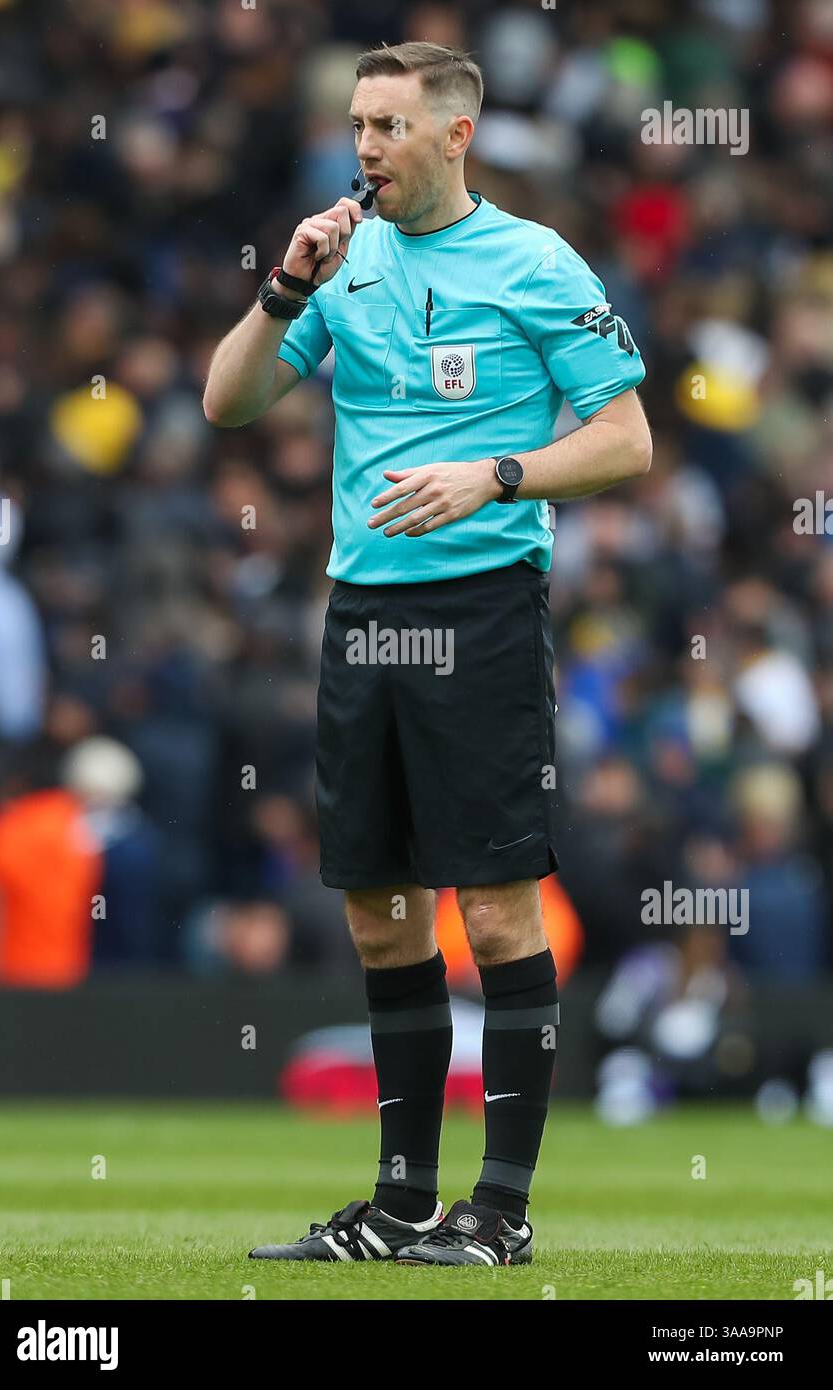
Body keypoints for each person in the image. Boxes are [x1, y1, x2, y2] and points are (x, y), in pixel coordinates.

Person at [204, 41, 651, 1269]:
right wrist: (285, 287)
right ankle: (401, 1206)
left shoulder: (531, 262)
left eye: (388, 126)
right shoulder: (339, 262)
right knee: (378, 914)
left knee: (495, 909)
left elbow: (624, 441)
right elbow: (225, 403)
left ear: (454, 135)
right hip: (359, 618)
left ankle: (497, 1217)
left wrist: (492, 475)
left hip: (483, 613)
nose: (363, 147)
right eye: (357, 123)